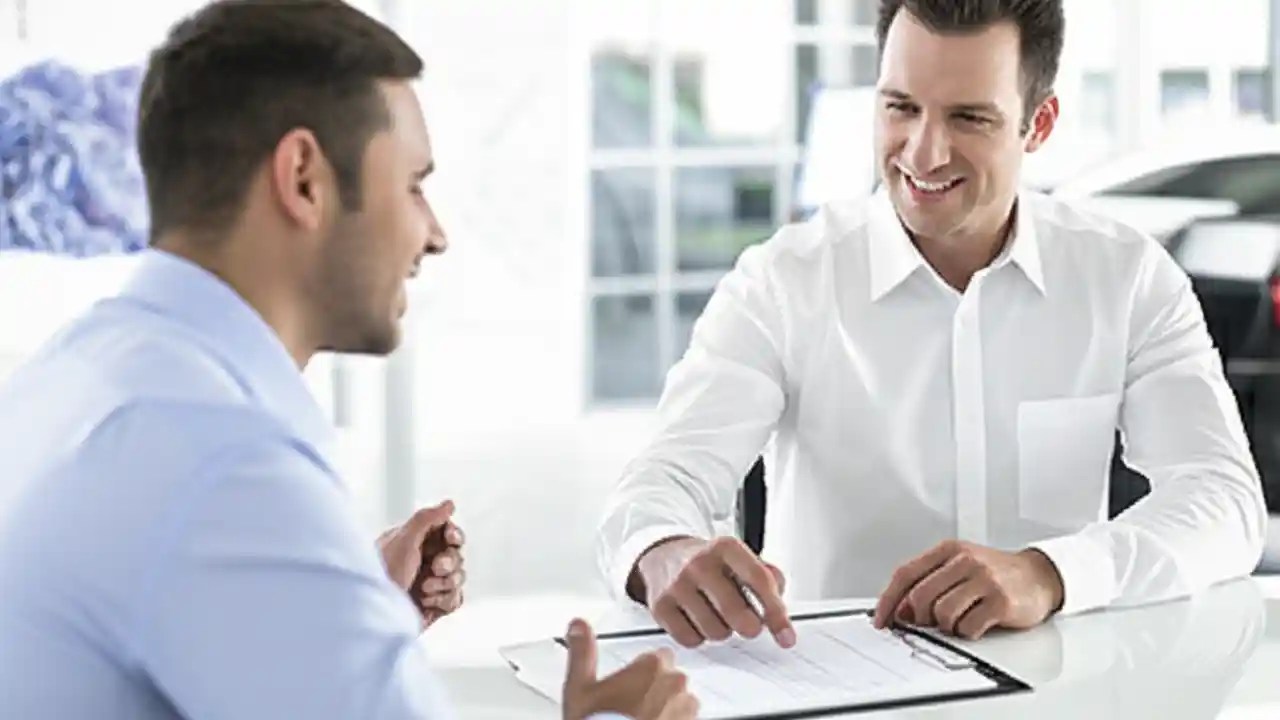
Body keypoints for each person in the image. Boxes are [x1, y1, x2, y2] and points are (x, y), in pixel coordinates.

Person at [0, 2, 696, 719]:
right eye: (414, 185)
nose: (436, 235)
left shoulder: (73, 376)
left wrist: (338, 605)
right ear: (303, 178)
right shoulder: (226, 459)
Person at [597, 0, 1268, 648]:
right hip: (838, 694)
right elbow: (662, 481)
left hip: (1052, 698)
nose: (923, 152)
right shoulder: (784, 281)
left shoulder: (1127, 279)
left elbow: (1223, 502)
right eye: (901, 108)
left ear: (1039, 124)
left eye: (969, 117)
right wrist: (663, 549)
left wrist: (1051, 572)